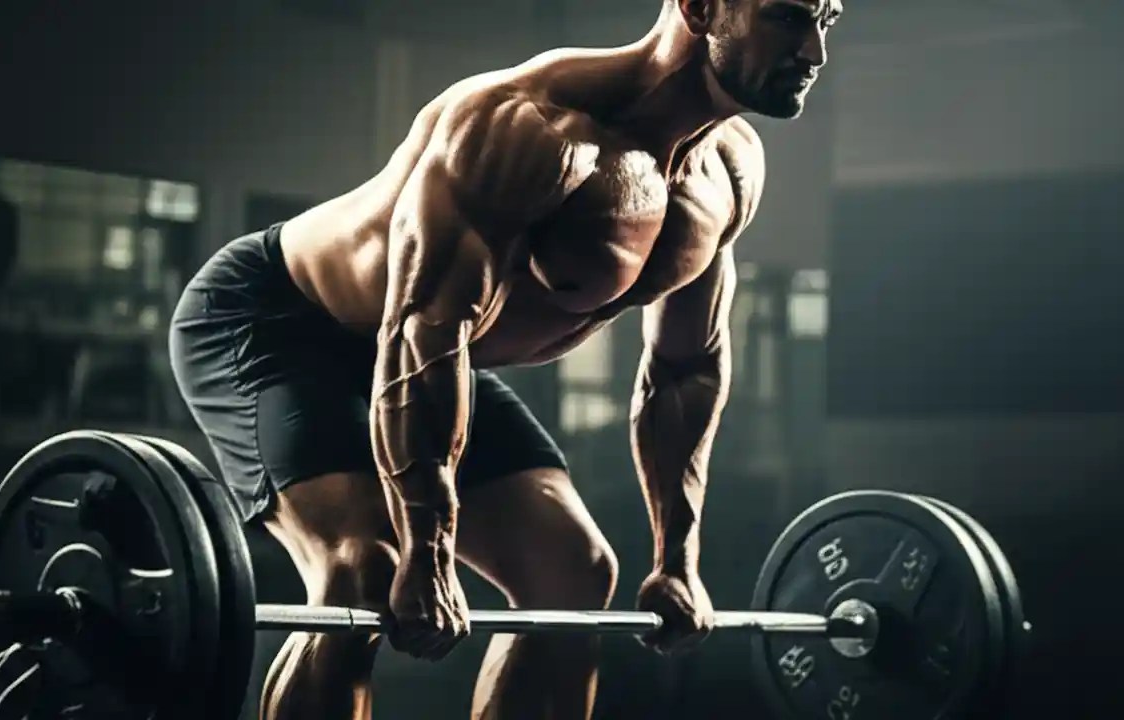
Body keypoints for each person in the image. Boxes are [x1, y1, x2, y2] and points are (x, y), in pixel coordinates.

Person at [169, 0, 839, 717]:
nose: (813, 52)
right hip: (283, 321)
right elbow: (423, 327)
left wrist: (676, 561)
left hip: (435, 352)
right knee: (364, 571)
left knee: (574, 573)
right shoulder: (525, 126)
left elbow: (685, 368)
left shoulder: (728, 172)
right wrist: (427, 543)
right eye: (787, 17)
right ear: (703, 8)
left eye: (826, 22)